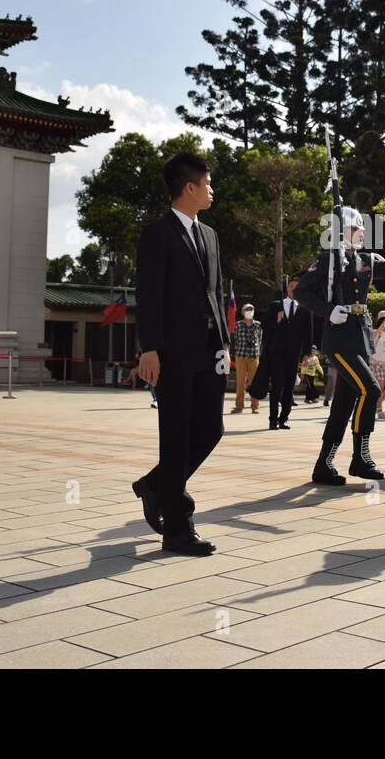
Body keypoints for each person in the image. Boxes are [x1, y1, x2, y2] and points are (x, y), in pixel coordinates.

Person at [294, 208, 385, 485]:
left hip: (359, 338)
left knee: (344, 403)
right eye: (355, 229)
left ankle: (324, 464)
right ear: (341, 232)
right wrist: (328, 310)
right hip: (338, 338)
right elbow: (301, 292)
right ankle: (360, 457)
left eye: (362, 229)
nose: (361, 233)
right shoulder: (328, 259)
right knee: (371, 389)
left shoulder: (364, 259)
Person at [133, 152, 231, 557]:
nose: (211, 189)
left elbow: (216, 290)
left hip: (209, 350)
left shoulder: (209, 235)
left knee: (211, 430)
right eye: (207, 183)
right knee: (175, 438)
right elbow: (148, 295)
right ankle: (177, 527)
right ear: (188, 187)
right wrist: (149, 349)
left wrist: (224, 341)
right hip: (171, 353)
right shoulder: (158, 234)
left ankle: (155, 485)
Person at [258, 277, 312, 429]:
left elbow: (308, 334)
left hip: (293, 354)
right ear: (287, 289)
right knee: (276, 386)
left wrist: (306, 353)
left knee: (289, 387)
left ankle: (284, 418)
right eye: (291, 286)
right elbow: (264, 324)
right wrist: (276, 319)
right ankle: (272, 419)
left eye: (297, 287)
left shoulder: (304, 309)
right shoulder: (276, 305)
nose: (293, 289)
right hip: (276, 352)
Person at [229, 303, 262, 415]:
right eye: (247, 309)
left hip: (254, 356)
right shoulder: (238, 325)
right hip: (241, 356)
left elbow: (260, 339)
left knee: (255, 382)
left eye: (251, 309)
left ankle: (255, 406)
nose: (249, 311)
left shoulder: (258, 324)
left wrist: (257, 351)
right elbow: (235, 339)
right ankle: (239, 406)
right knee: (240, 382)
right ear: (242, 312)